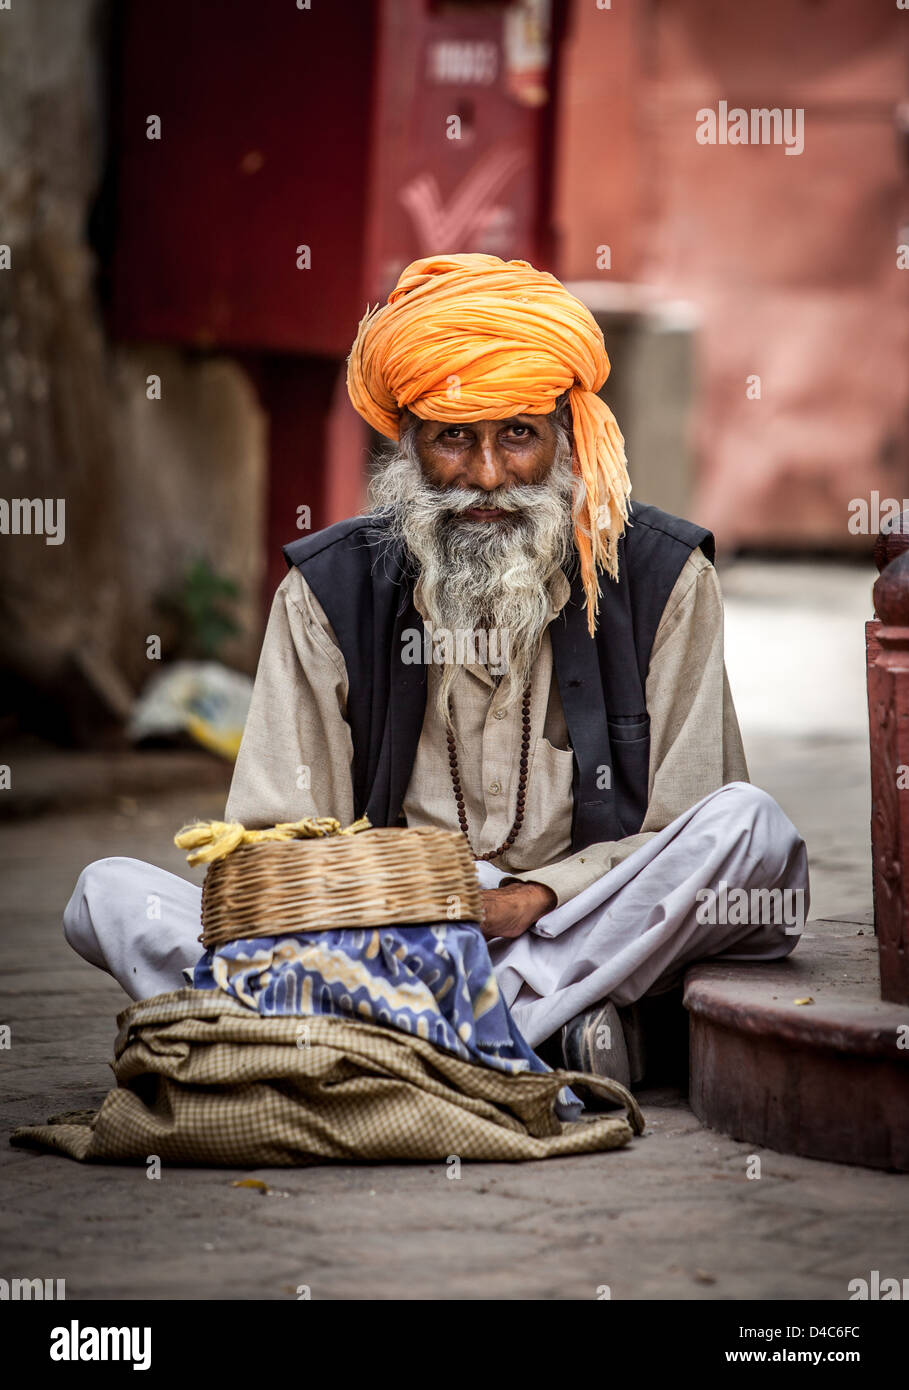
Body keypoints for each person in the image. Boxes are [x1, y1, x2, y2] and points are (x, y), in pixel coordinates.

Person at [64, 253, 808, 1092]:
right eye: (455, 438)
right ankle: (534, 1031)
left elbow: (687, 826)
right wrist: (401, 911)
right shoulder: (328, 593)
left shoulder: (665, 578)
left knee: (752, 832)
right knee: (106, 894)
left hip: (581, 924)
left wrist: (535, 899)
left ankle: (405, 1036)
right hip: (386, 939)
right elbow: (276, 841)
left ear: (567, 437)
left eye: (518, 436)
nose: (487, 478)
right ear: (408, 448)